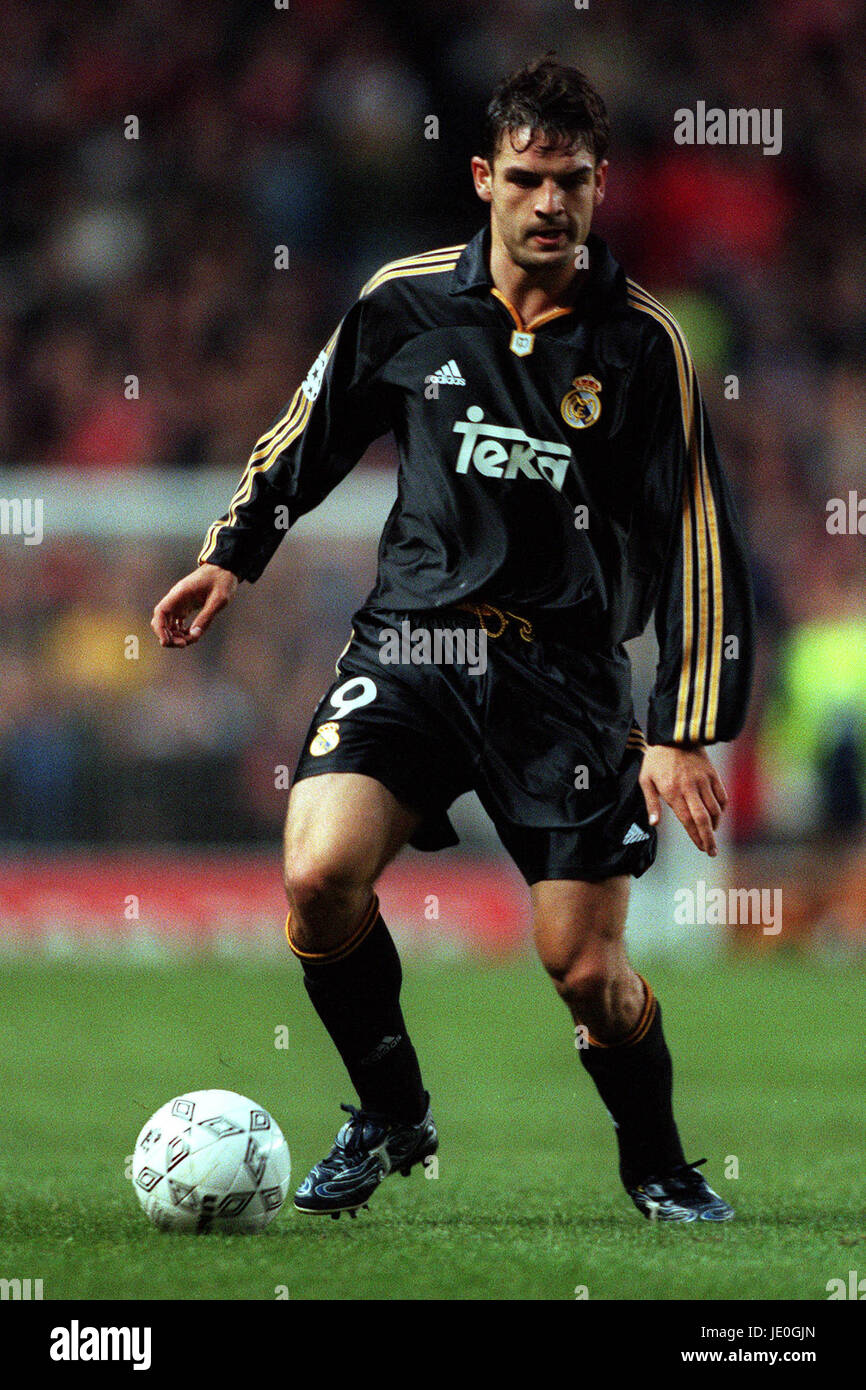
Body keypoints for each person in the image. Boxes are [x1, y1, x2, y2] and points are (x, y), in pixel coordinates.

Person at [152, 56, 755, 1223]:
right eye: (526, 178)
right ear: (484, 177)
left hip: (563, 680)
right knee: (318, 876)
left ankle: (656, 1162)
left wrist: (681, 729)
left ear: (598, 185)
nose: (548, 204)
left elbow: (696, 541)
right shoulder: (404, 301)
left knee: (581, 966)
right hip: (415, 646)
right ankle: (390, 1109)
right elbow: (310, 430)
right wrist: (232, 549)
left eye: (570, 181)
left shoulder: (641, 346)